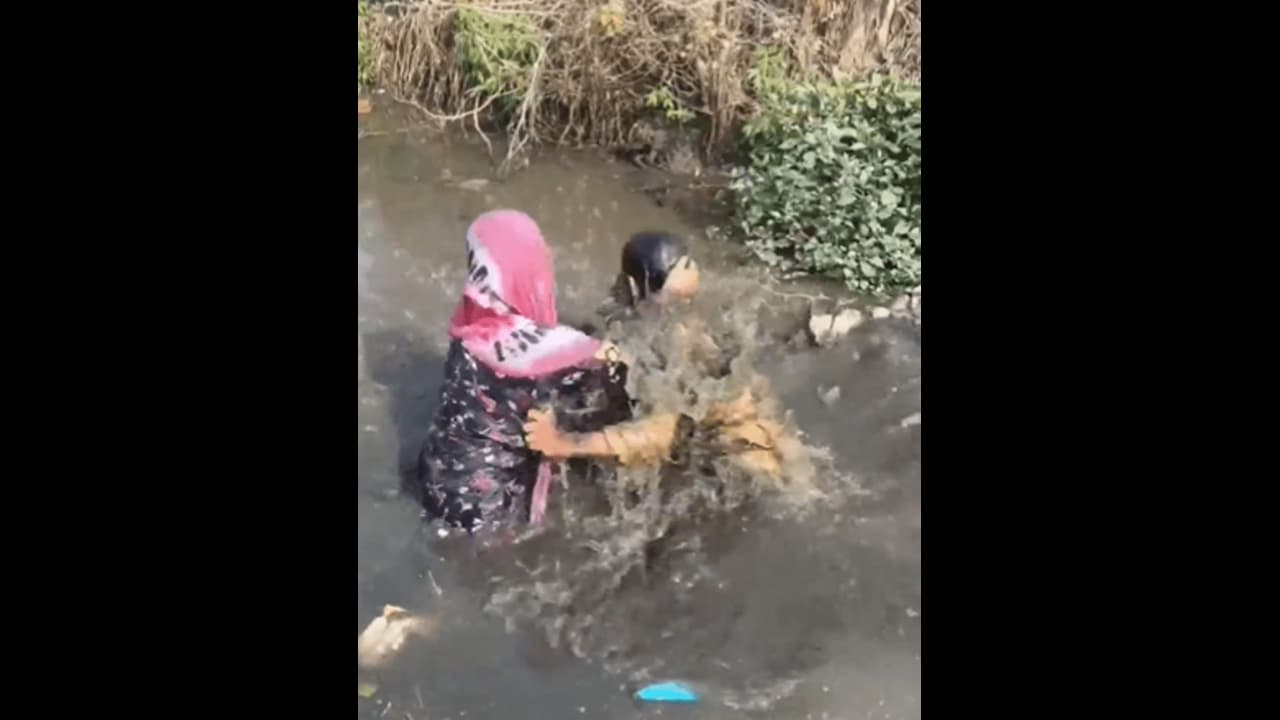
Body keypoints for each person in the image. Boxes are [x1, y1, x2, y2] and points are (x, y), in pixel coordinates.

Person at [414, 210, 633, 538]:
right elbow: (629, 369)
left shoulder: (470, 325)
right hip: (486, 512)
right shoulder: (556, 350)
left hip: (438, 476)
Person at [523, 232, 789, 478]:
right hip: (762, 433)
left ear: (630, 286)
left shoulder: (671, 343)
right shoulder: (695, 321)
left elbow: (659, 434)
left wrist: (566, 444)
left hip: (746, 463)